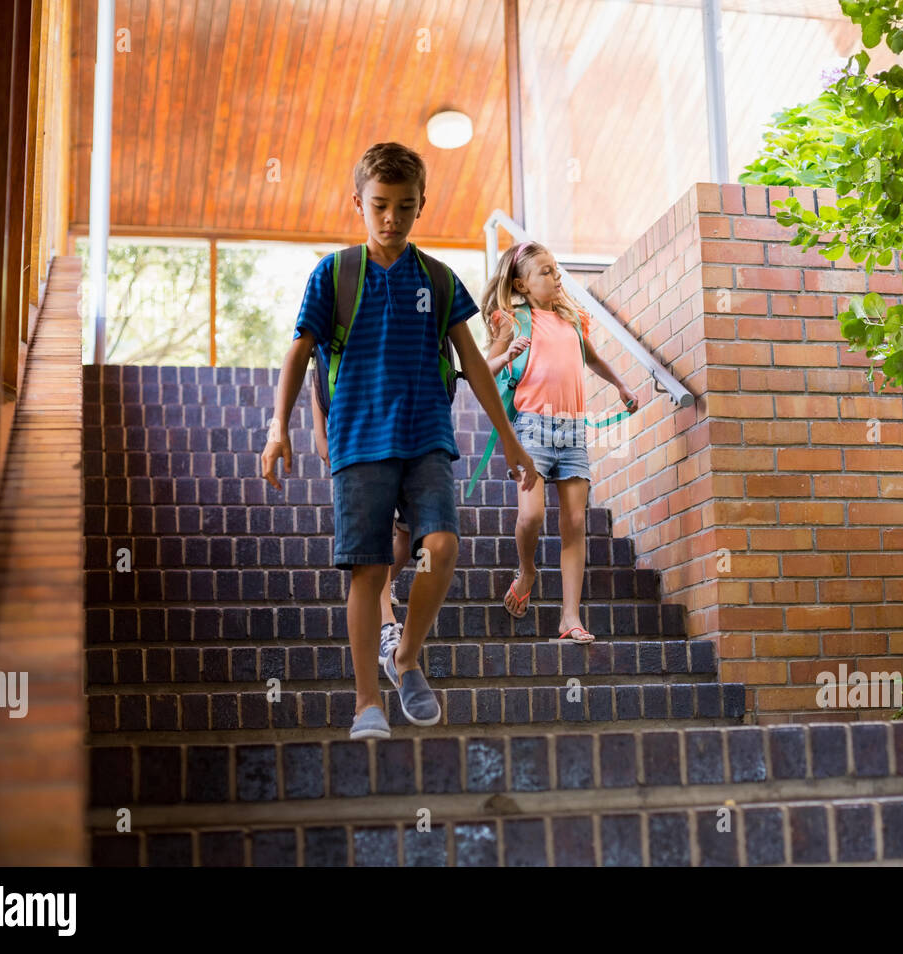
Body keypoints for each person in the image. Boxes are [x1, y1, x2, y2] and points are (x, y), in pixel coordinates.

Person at [261, 142, 536, 740]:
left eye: (405, 207)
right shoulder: (334, 273)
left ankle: (406, 655)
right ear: (358, 202)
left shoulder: (437, 279)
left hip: (427, 438)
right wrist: (279, 427)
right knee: (367, 568)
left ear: (421, 207)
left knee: (441, 547)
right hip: (358, 443)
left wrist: (510, 440)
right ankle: (366, 704)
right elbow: (299, 351)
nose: (391, 218)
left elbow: (473, 363)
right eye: (380, 205)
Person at [482, 241, 637, 643]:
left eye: (556, 269)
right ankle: (528, 570)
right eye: (545, 272)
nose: (556, 277)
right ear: (522, 284)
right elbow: (483, 369)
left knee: (574, 523)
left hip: (572, 431)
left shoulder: (574, 319)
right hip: (532, 429)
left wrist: (620, 386)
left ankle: (570, 616)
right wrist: (507, 353)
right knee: (531, 516)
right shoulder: (513, 319)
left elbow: (591, 358)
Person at [310, 379, 409, 667]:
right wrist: (320, 434)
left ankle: (384, 582)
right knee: (378, 532)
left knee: (411, 531)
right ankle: (387, 625)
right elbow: (318, 364)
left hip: (403, 430)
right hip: (359, 438)